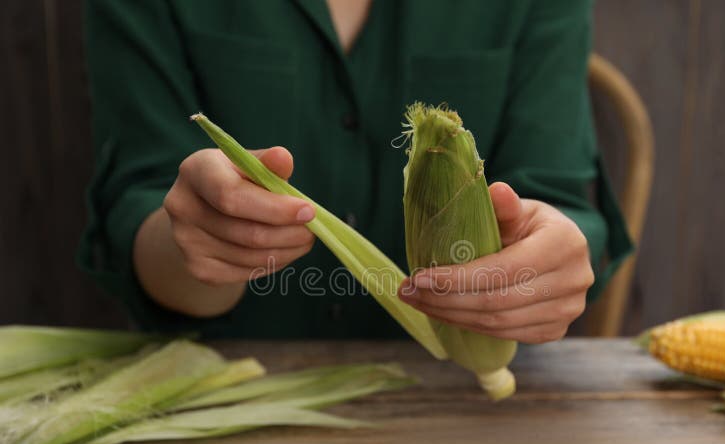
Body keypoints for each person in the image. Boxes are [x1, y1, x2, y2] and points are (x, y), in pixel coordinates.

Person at [79, 0, 632, 342]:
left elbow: (558, 195)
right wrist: (200, 244)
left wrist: (549, 259)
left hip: (461, 415)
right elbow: (138, 201)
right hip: (226, 410)